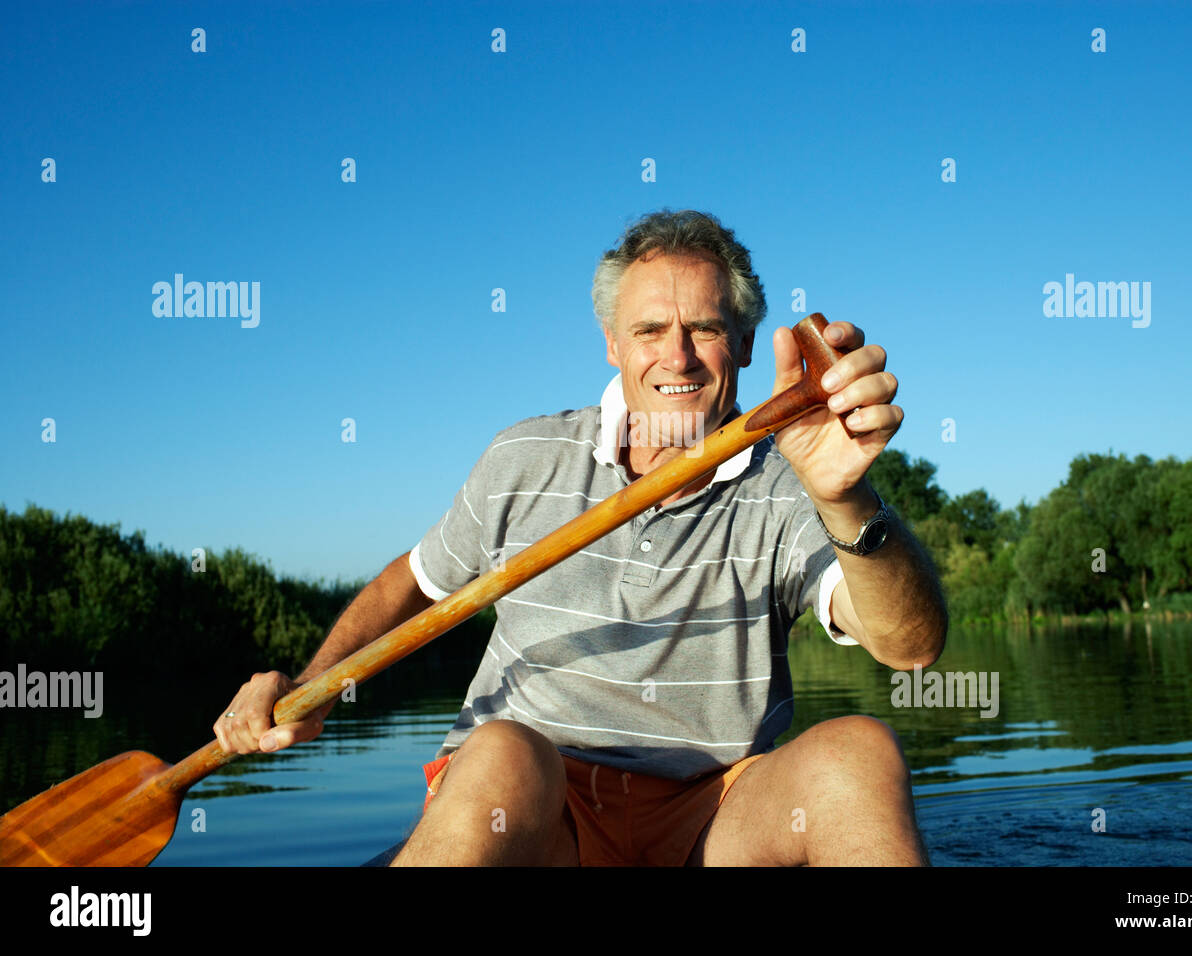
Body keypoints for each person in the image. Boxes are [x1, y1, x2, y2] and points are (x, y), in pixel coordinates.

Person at [215, 209, 947, 866]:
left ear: (747, 343)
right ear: (612, 346)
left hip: (711, 818)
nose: (678, 355)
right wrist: (314, 683)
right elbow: (414, 581)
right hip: (536, 807)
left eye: (706, 328)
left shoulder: (789, 485)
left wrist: (844, 496)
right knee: (501, 752)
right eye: (650, 331)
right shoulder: (521, 459)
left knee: (859, 752)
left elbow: (910, 645)